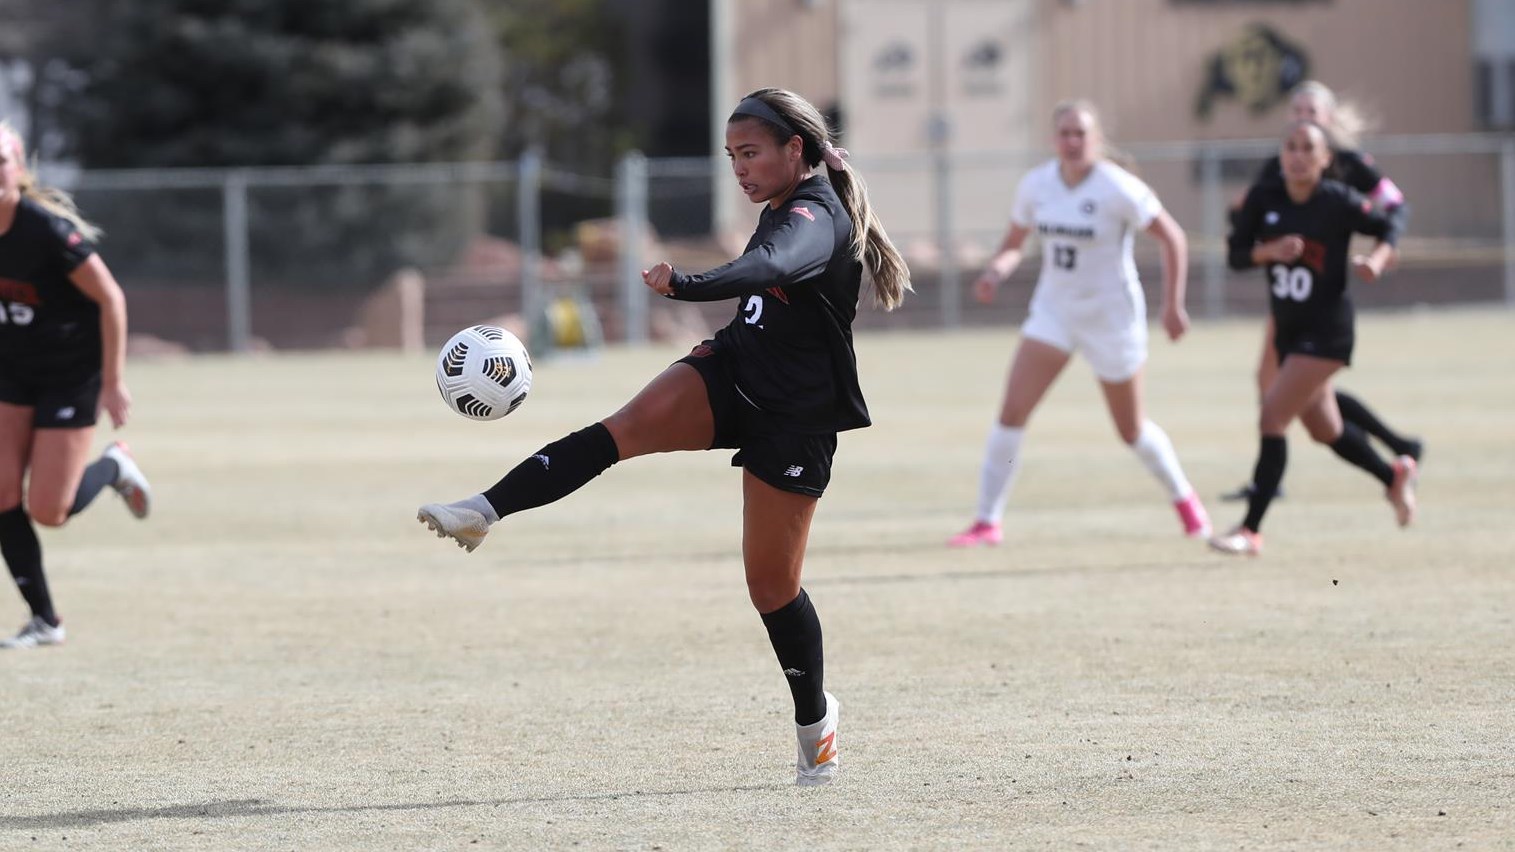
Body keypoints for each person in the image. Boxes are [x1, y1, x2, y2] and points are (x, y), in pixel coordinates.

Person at [417, 88, 910, 786]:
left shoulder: (813, 215)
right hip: (733, 368)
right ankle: (483, 510)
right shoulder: (785, 200)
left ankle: (814, 719)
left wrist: (685, 283)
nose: (739, 168)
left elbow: (767, 267)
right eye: (732, 155)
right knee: (619, 432)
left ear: (793, 151)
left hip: (796, 417)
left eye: (752, 153)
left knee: (770, 587)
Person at [948, 100, 1210, 549]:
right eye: (1064, 134)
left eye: (1080, 134)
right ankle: (987, 522)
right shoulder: (1038, 184)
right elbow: (1015, 243)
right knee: (1012, 413)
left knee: (1130, 429)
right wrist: (996, 271)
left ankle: (1187, 502)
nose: (1071, 142)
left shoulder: (1117, 187)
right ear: (1054, 140)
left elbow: (1173, 237)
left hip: (1111, 317)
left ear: (1096, 140)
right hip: (1055, 311)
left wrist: (1173, 305)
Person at [1210, 119, 1416, 557]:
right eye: (1291, 147)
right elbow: (1236, 253)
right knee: (1327, 431)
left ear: (1326, 160)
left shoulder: (1338, 200)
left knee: (1272, 418)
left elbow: (1389, 226)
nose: (1298, 155)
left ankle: (1250, 530)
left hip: (1328, 334)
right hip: (1289, 333)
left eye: (1309, 148)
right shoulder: (1265, 197)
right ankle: (1392, 475)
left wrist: (1377, 260)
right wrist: (1269, 250)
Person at [0, 121, 152, 649]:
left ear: (18, 169)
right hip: (12, 371)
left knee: (48, 511)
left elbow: (111, 299)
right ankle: (45, 621)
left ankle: (114, 465)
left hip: (69, 373)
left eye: (0, 161)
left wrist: (113, 382)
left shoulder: (44, 230)